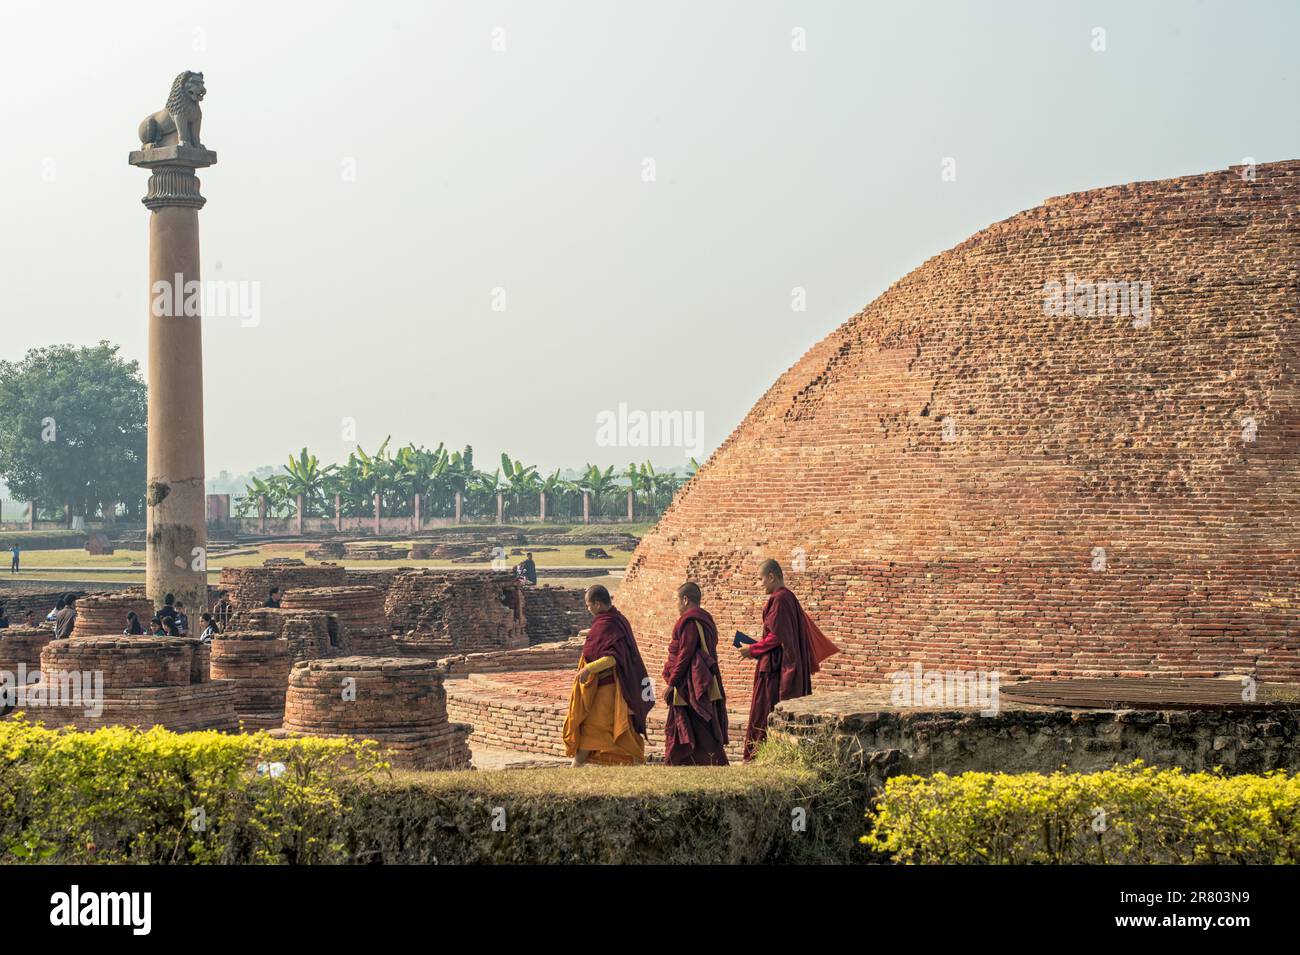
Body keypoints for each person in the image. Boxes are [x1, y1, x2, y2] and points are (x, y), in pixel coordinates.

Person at [562, 584, 653, 766]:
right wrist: (592, 634)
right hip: (608, 688)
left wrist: (588, 669)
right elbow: (609, 643)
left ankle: (576, 767)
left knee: (594, 729)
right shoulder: (616, 620)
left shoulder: (608, 624)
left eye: (588, 606)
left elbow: (613, 658)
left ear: (597, 604)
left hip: (609, 691)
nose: (588, 610)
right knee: (620, 729)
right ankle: (638, 763)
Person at [737, 559, 813, 761]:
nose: (759, 584)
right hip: (777, 664)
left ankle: (758, 756)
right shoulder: (789, 597)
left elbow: (777, 636)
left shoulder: (779, 599)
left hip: (775, 670)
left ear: (771, 577)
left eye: (760, 579)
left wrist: (752, 649)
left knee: (763, 711)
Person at [661, 582, 728, 766]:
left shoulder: (690, 621)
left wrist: (672, 683)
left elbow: (685, 654)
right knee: (698, 725)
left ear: (685, 599)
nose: (676, 605)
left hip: (691, 684)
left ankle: (713, 763)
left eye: (677, 600)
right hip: (699, 680)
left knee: (696, 724)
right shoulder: (706, 619)